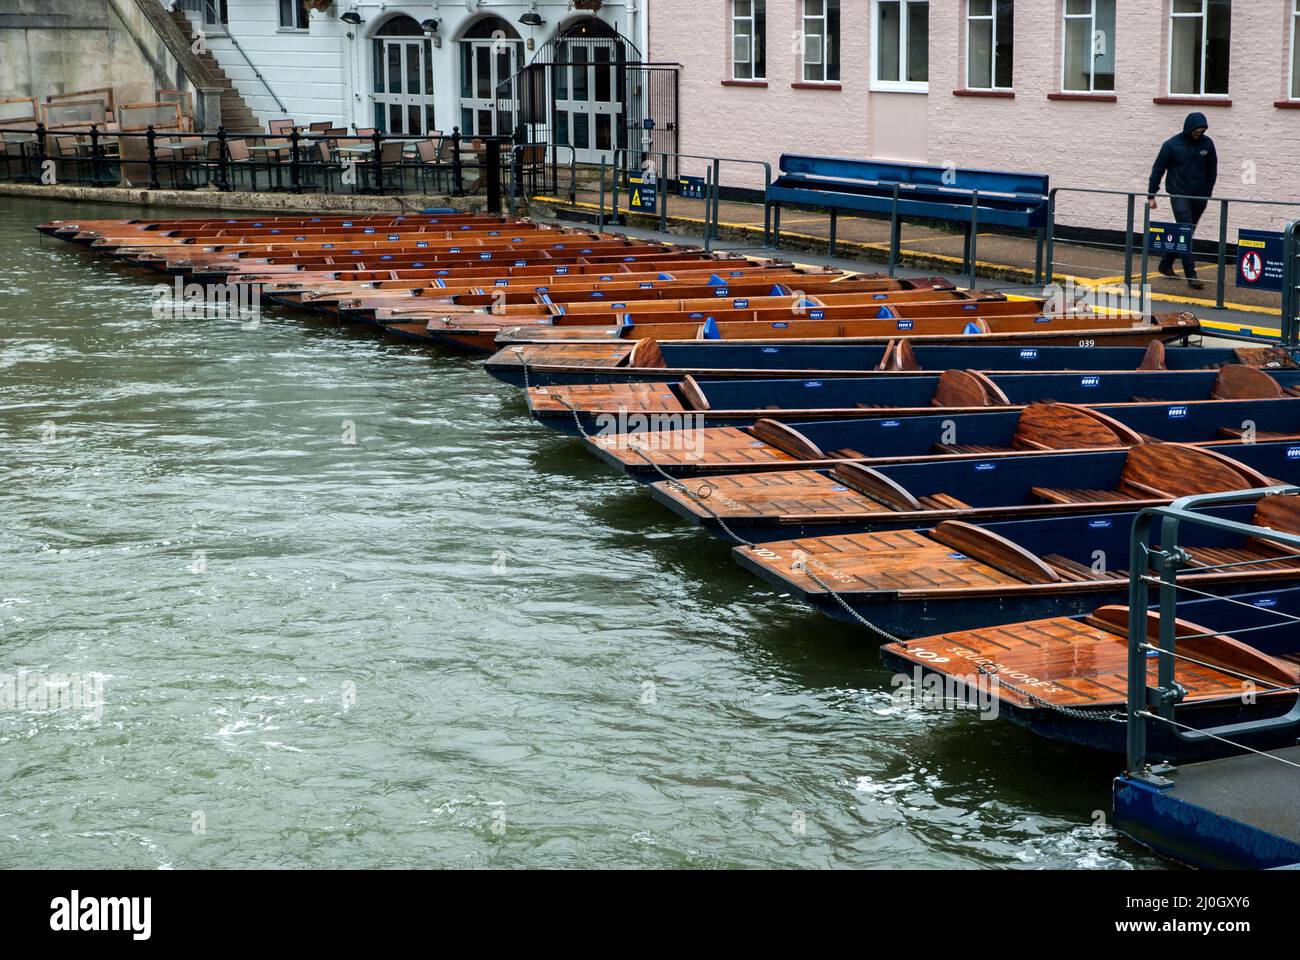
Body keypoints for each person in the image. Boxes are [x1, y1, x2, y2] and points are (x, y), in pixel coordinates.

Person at [1147, 112, 1218, 290]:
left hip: (1199, 195)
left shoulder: (1207, 143)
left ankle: (1165, 264)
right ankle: (1191, 275)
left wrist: (1208, 192)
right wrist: (1151, 194)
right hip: (1179, 194)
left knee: (1185, 231)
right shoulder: (1171, 145)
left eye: (1201, 131)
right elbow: (1158, 169)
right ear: (1189, 128)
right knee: (1185, 231)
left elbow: (1212, 169)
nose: (1198, 134)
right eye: (1196, 131)